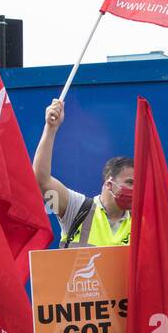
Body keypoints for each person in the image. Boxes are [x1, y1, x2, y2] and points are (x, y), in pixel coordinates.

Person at [32, 98, 133, 248]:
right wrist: (51, 128)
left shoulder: (141, 222)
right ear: (109, 184)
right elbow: (41, 180)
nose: (135, 190)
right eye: (130, 182)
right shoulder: (78, 208)